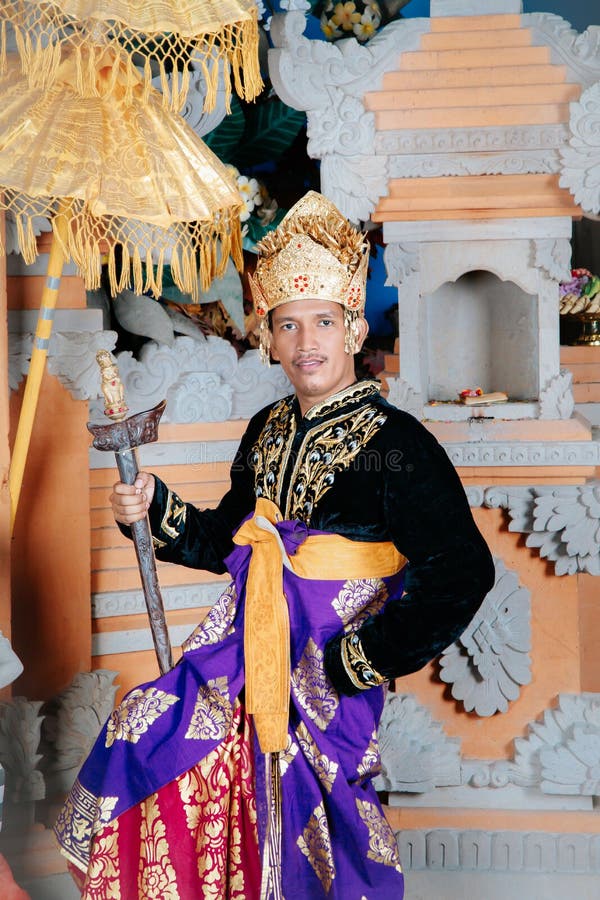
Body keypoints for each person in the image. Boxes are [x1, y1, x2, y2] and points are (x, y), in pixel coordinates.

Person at [55, 191, 494, 899]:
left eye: (323, 321)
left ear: (353, 328)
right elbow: (230, 540)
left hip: (328, 664)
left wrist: (358, 658)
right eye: (288, 324)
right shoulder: (266, 429)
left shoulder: (400, 445)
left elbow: (463, 572)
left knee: (320, 833)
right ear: (268, 335)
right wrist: (152, 507)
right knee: (146, 734)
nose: (306, 341)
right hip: (244, 643)